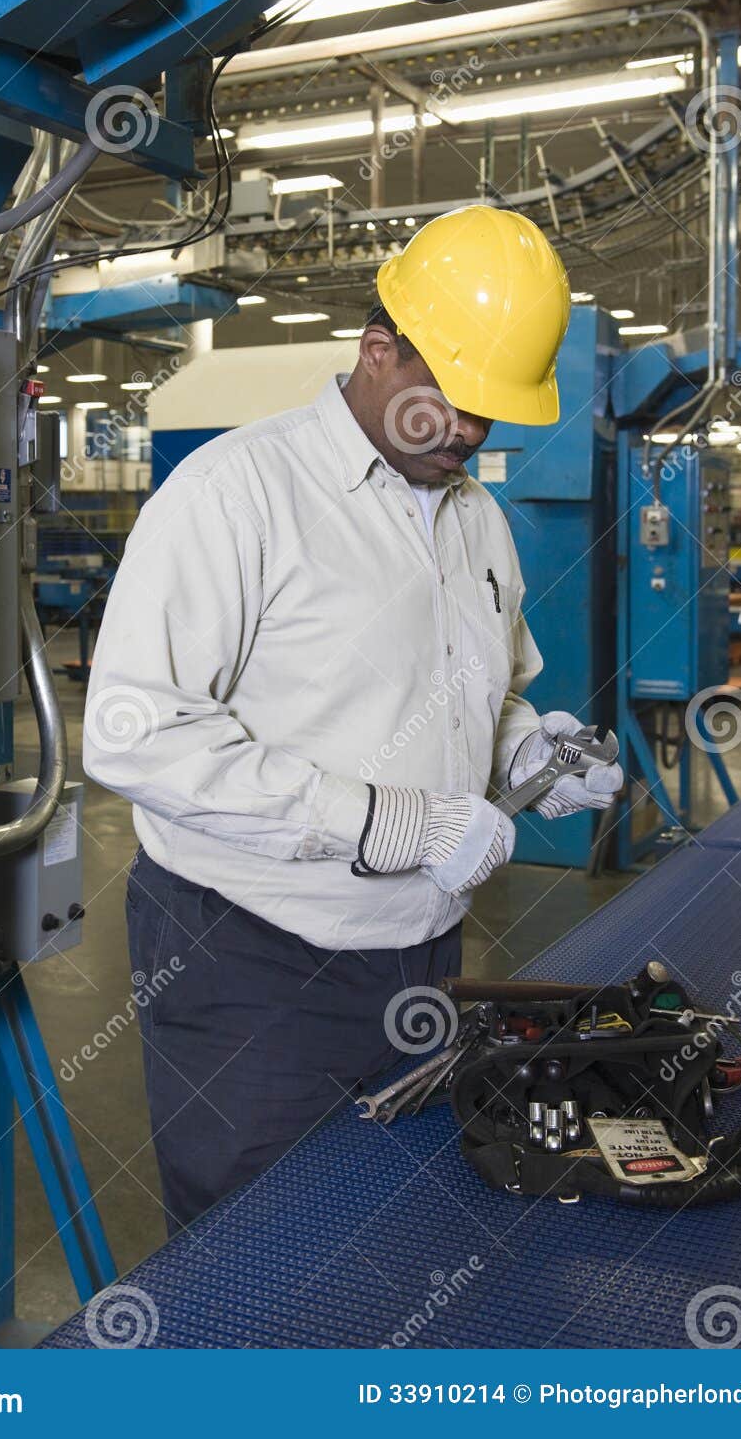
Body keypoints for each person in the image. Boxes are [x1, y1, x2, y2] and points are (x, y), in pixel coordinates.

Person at [83, 205, 623, 1233]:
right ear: (379, 351)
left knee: (389, 1238)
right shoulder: (237, 495)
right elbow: (132, 731)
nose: (468, 431)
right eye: (452, 400)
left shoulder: (477, 516)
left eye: (489, 413)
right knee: (258, 1262)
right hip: (251, 956)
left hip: (422, 948)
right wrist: (388, 819)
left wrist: (532, 745)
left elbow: (486, 688)